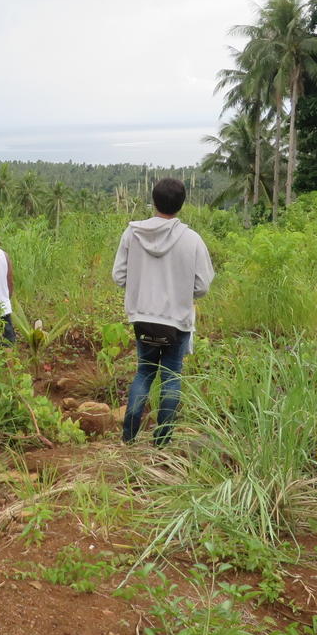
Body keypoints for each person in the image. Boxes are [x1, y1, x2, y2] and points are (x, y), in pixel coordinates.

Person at [112, 178, 214, 446]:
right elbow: (202, 286)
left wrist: (140, 287)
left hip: (142, 317)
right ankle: (162, 441)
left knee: (144, 373)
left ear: (154, 201)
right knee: (171, 376)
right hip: (177, 320)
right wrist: (181, 293)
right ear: (181, 204)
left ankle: (129, 438)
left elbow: (118, 275)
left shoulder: (132, 234)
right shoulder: (192, 240)